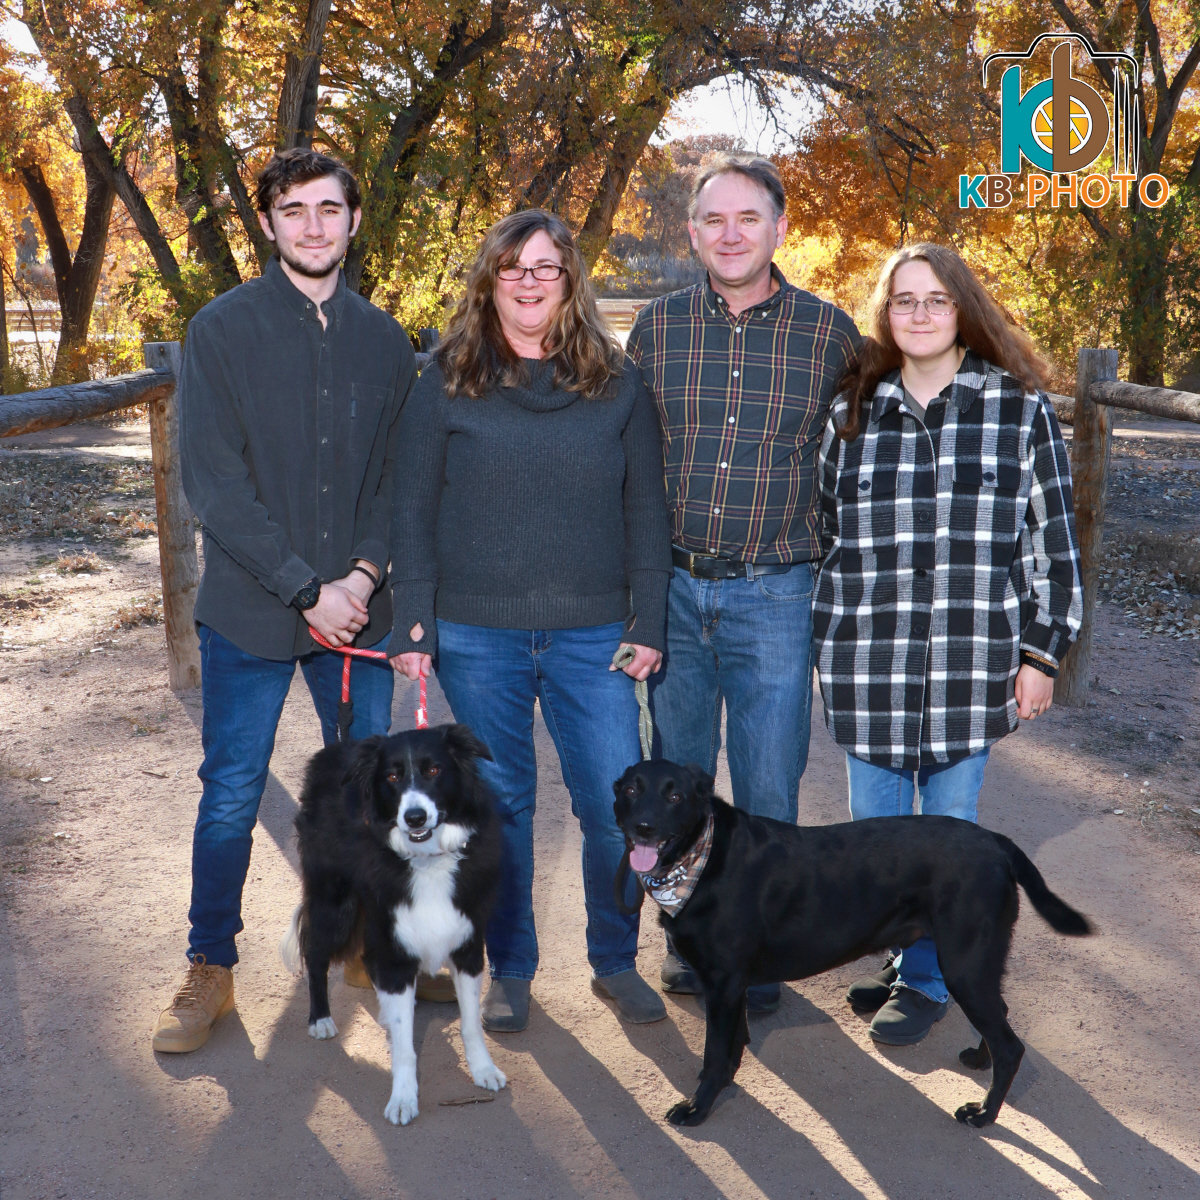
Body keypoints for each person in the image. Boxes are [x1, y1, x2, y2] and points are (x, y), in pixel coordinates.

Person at [152, 148, 415, 1053]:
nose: (312, 225)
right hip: (254, 613)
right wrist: (306, 588)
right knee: (229, 791)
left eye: (329, 209)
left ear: (352, 220)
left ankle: (365, 948)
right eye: (294, 210)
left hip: (358, 615)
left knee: (372, 796)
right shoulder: (219, 331)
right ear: (267, 223)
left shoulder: (386, 342)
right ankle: (209, 969)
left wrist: (362, 579)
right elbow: (215, 485)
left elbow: (394, 481)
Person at [388, 209, 671, 1033]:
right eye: (513, 267)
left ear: (570, 280)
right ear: (489, 279)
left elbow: (647, 511)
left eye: (546, 267)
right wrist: (415, 624)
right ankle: (511, 967)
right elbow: (411, 508)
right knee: (501, 808)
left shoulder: (618, 384)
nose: (529, 281)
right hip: (477, 635)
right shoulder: (442, 378)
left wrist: (648, 618)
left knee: (618, 807)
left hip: (595, 636)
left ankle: (615, 962)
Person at [814, 242, 1082, 1046]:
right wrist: (831, 637)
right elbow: (826, 532)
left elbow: (1055, 550)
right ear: (885, 315)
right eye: (904, 301)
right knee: (878, 840)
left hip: (973, 670)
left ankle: (927, 982)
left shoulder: (1018, 410)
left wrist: (1041, 657)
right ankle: (903, 958)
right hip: (869, 667)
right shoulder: (852, 412)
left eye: (936, 299)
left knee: (948, 838)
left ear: (962, 308)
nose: (920, 315)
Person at [627, 153, 858, 1011]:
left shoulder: (830, 335)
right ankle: (690, 940)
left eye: (748, 219)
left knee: (767, 784)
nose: (730, 234)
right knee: (673, 782)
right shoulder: (655, 329)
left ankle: (763, 947)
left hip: (775, 593)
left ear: (779, 229)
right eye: (713, 220)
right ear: (692, 233)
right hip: (675, 594)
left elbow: (892, 418)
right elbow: (626, 453)